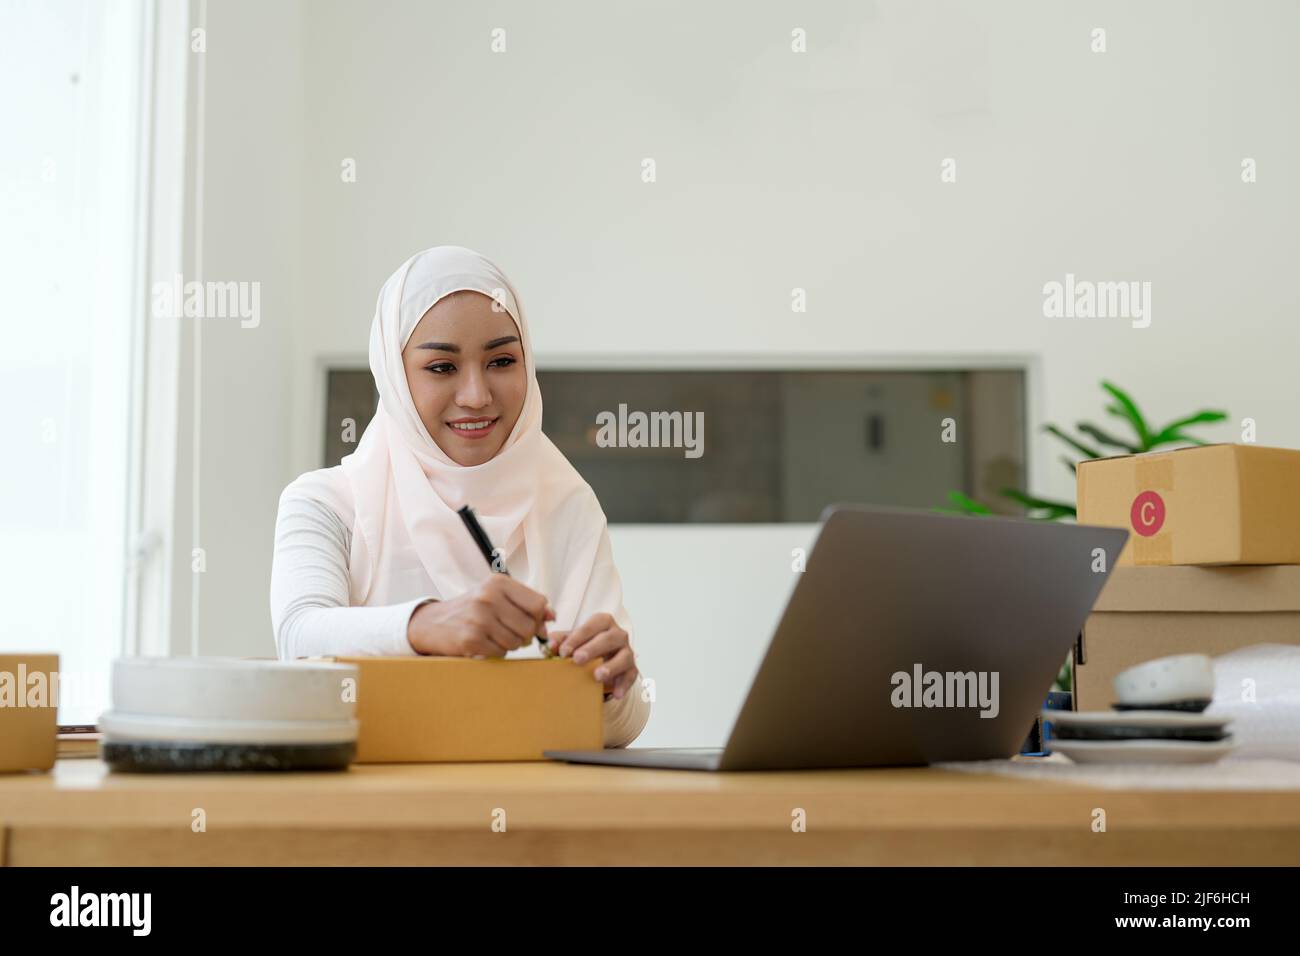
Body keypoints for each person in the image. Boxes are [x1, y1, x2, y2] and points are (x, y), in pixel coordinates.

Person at [269, 245, 649, 747]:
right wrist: (426, 625)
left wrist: (611, 686)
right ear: (394, 375)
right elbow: (299, 641)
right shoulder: (325, 503)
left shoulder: (566, 505)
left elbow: (617, 730)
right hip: (372, 811)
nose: (476, 395)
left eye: (501, 360)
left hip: (534, 811)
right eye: (442, 367)